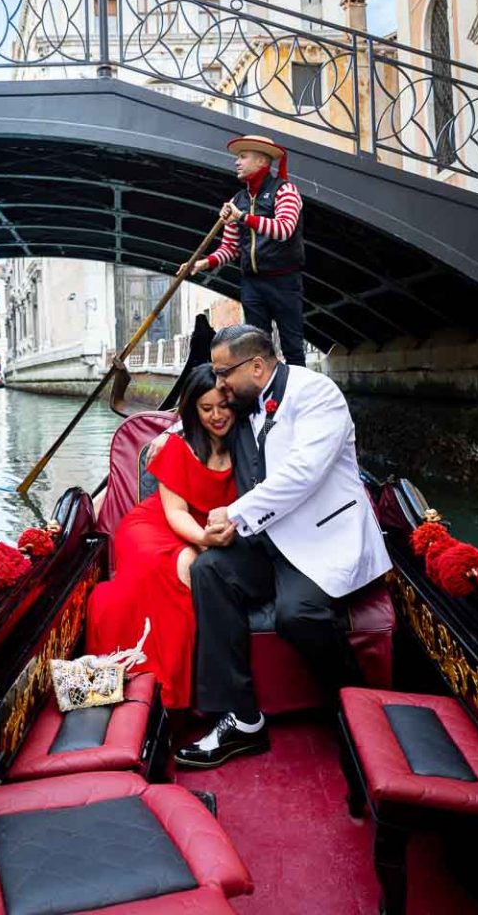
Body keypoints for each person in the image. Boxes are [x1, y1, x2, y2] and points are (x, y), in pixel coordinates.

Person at [175, 323, 392, 768]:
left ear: (256, 365)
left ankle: (362, 712)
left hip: (324, 540)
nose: (219, 384)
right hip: (270, 541)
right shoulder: (246, 403)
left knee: (298, 614)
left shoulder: (318, 395)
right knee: (209, 569)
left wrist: (234, 513)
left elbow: (303, 474)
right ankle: (241, 717)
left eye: (223, 374)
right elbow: (203, 424)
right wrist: (172, 434)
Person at [86, 364, 237, 709]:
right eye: (206, 408)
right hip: (156, 526)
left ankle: (174, 691)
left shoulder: (247, 442)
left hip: (207, 525)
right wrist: (206, 541)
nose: (217, 416)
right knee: (176, 566)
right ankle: (156, 687)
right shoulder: (176, 447)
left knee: (189, 569)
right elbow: (175, 514)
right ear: (193, 411)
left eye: (223, 407)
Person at [183, 134, 306, 366]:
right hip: (253, 285)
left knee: (293, 349)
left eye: (242, 157)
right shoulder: (237, 200)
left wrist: (243, 217)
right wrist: (204, 262)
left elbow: (284, 229)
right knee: (256, 350)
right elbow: (230, 248)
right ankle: (262, 400)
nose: (236, 162)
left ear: (262, 161)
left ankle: (297, 398)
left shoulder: (285, 191)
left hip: (284, 282)